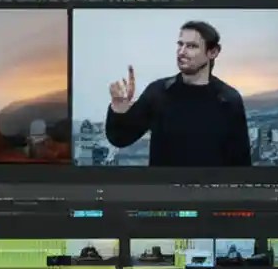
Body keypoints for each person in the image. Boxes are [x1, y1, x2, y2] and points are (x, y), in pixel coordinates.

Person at [104, 21, 252, 167]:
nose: (181, 52)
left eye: (191, 46)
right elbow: (120, 139)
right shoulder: (158, 92)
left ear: (212, 52)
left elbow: (241, 162)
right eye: (180, 44)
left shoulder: (228, 99)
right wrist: (118, 109)